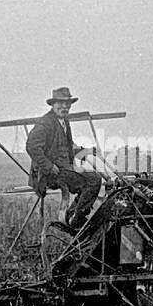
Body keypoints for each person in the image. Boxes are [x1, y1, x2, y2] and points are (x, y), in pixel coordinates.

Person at [25, 86, 103, 233]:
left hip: (64, 170)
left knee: (90, 180)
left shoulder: (64, 121)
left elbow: (67, 147)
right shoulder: (45, 123)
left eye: (67, 104)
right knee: (93, 180)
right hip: (48, 175)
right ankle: (77, 219)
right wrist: (48, 166)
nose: (65, 107)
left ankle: (73, 214)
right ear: (53, 104)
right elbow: (31, 147)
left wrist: (85, 151)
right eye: (60, 103)